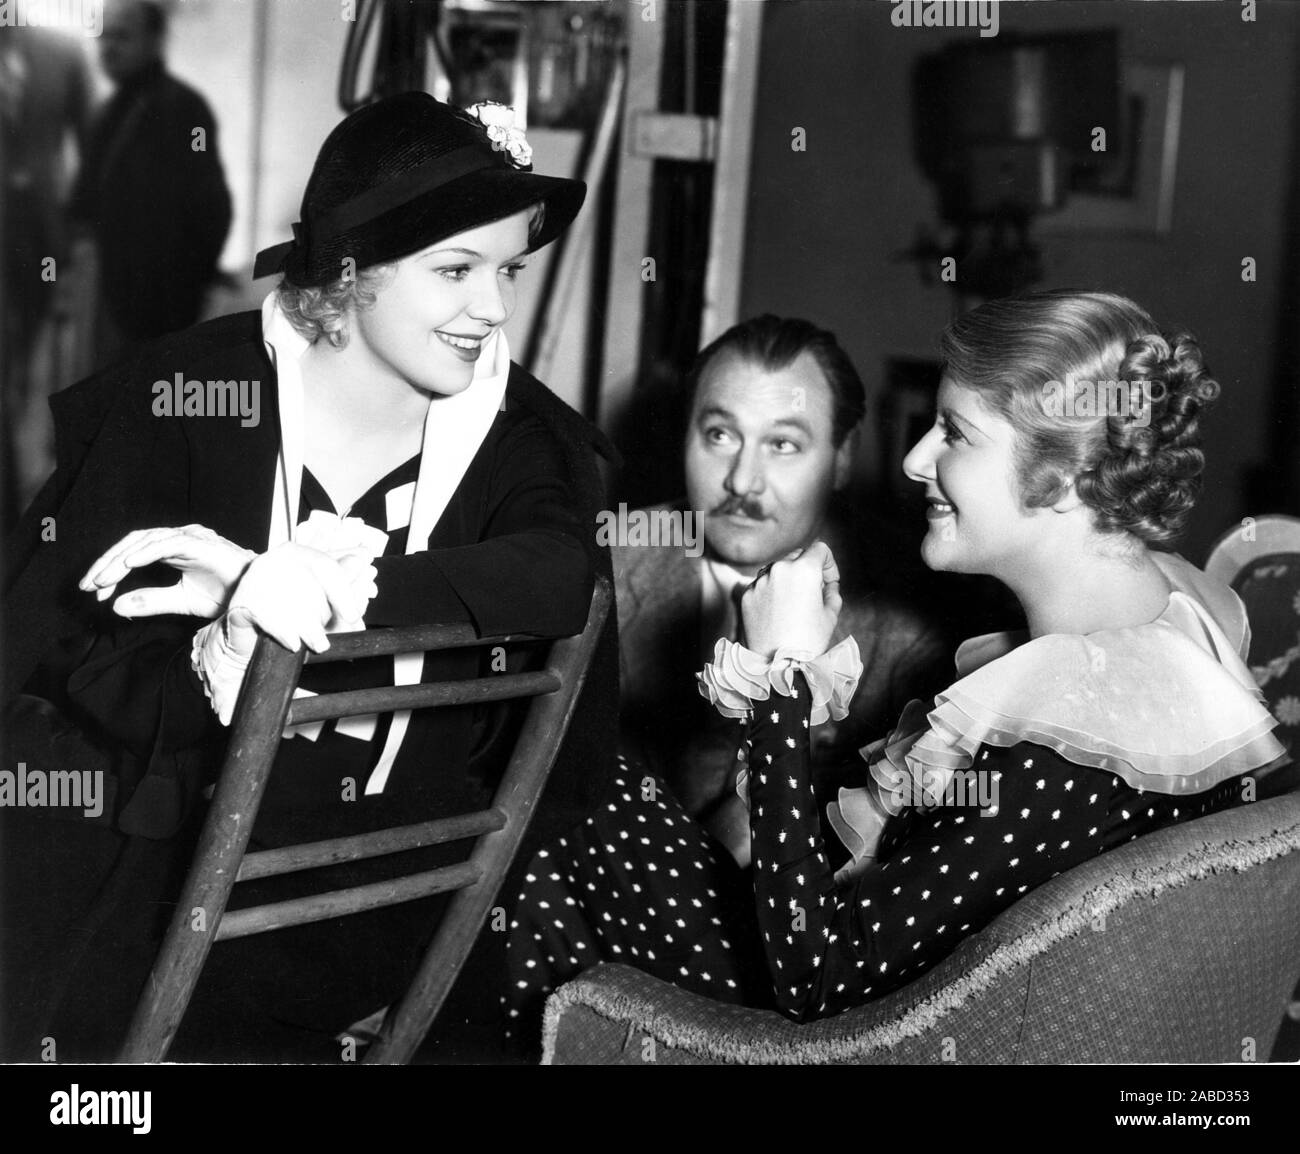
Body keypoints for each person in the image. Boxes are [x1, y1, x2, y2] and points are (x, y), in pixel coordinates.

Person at [1, 91, 616, 1061]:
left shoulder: (516, 428)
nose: (495, 309)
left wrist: (323, 592)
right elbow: (56, 653)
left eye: (508, 270)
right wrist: (224, 641)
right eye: (455, 269)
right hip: (167, 878)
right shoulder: (189, 395)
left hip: (382, 914)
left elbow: (556, 573)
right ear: (348, 270)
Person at [505, 290, 1285, 1032]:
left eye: (955, 432)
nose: (914, 459)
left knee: (548, 792)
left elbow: (816, 974)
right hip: (894, 995)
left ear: (1068, 475)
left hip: (841, 1025)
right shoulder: (1176, 613)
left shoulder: (1073, 723)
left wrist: (784, 677)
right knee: (570, 782)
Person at [614, 316, 948, 847]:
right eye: (720, 435)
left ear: (841, 459)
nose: (742, 481)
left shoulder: (914, 612)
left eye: (783, 444)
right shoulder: (603, 566)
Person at [67, 0, 231, 366]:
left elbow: (213, 206)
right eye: (103, 36)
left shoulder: (185, 110)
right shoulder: (107, 114)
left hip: (161, 311)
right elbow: (84, 203)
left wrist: (185, 292)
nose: (107, 47)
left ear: (155, 41)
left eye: (122, 36)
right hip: (111, 302)